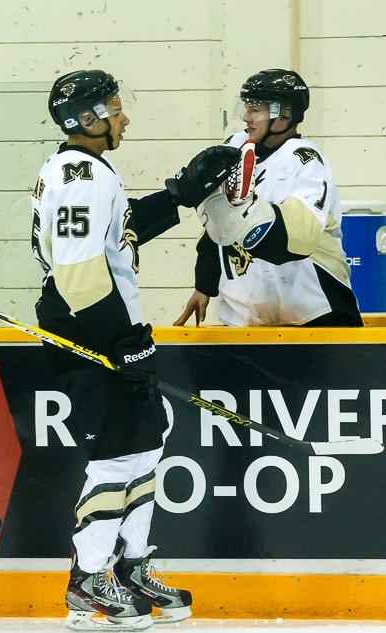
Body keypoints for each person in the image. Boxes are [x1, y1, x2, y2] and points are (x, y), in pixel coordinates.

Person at [32, 70, 194, 630]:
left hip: (107, 324)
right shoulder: (79, 174)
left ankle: (128, 567)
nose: (124, 120)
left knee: (145, 446)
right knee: (115, 455)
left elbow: (116, 236)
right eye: (115, 111)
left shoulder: (90, 171)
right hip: (88, 329)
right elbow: (77, 276)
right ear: (87, 119)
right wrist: (122, 343)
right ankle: (88, 582)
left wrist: (178, 195)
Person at [173, 68, 362, 327]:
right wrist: (204, 284)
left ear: (285, 114)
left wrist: (238, 214)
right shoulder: (236, 146)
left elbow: (296, 240)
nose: (246, 116)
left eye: (256, 109)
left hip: (313, 312)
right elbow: (216, 223)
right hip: (244, 316)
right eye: (247, 106)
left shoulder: (303, 161)